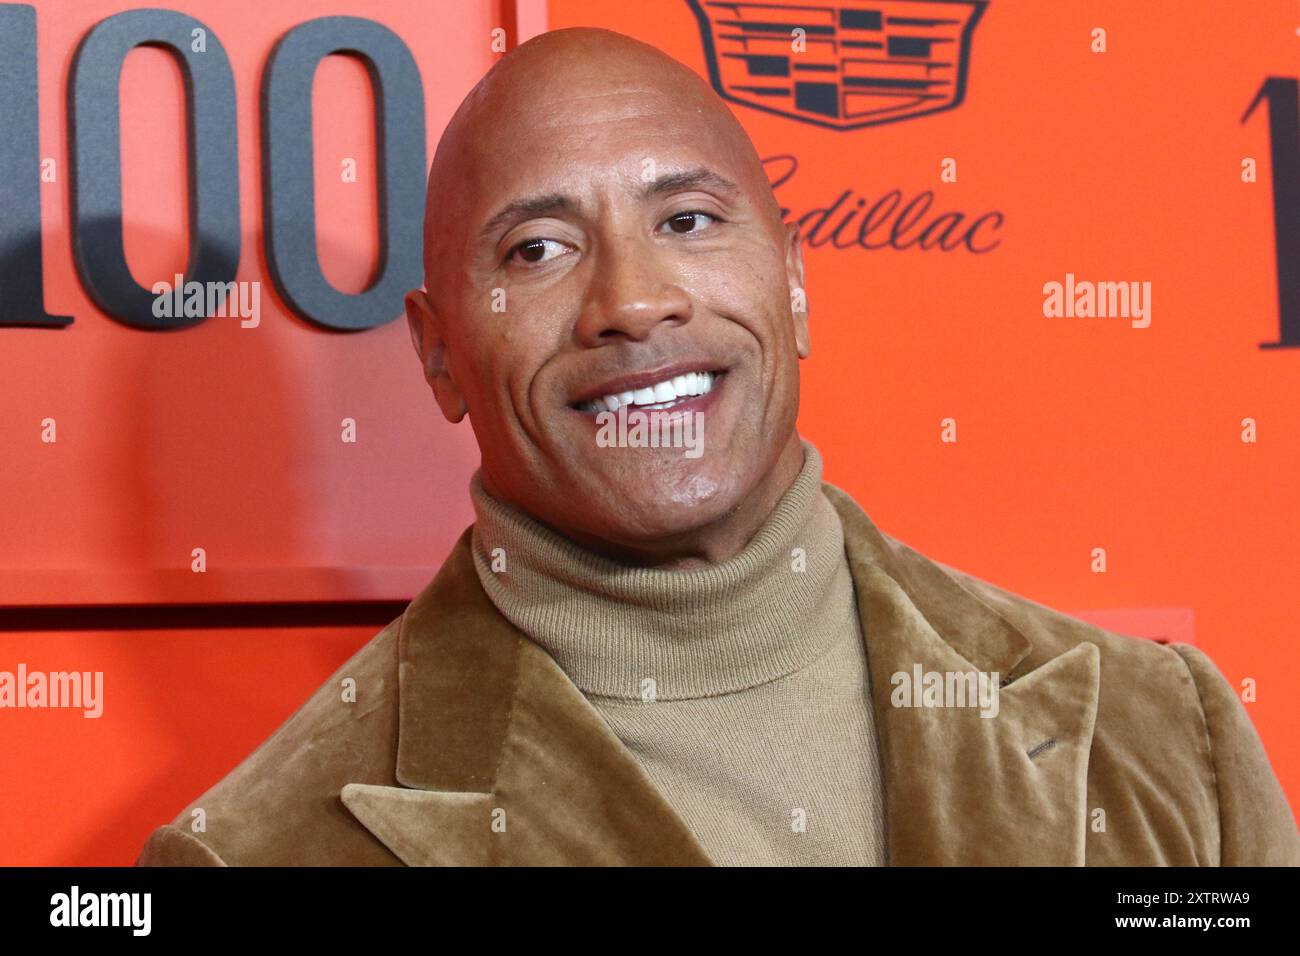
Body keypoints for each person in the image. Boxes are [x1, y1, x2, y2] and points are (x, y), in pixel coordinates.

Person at [136, 27, 1300, 866]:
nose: (633, 302)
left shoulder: (1165, 734)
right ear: (436, 354)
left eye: (687, 221)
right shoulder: (265, 849)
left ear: (794, 282)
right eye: (538, 250)